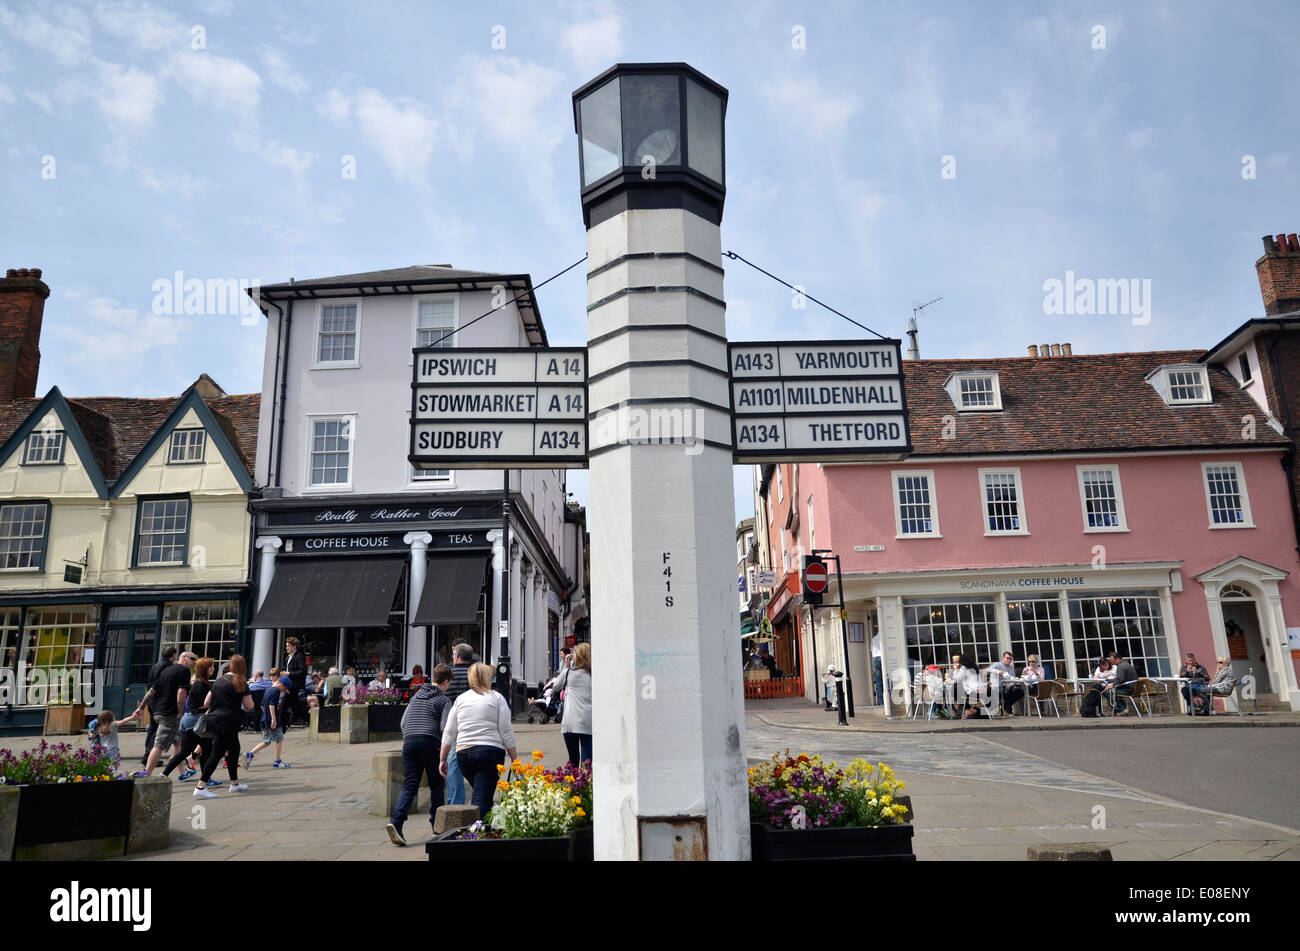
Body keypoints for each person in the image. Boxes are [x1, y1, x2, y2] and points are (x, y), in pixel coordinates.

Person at [439, 662, 517, 821]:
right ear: (488, 678)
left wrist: (442, 758)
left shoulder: (461, 699)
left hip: (464, 755)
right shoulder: (497, 698)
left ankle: (486, 829)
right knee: (481, 799)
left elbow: (449, 731)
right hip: (489, 753)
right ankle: (475, 836)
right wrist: (515, 758)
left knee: (483, 793)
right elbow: (506, 731)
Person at [386, 663, 453, 846]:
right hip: (430, 742)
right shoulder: (444, 700)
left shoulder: (416, 697)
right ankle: (437, 826)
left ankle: (396, 821)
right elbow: (444, 728)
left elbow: (403, 723)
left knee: (410, 784)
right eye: (448, 683)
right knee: (437, 784)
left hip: (409, 742)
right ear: (446, 681)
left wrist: (411, 735)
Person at [194, 654, 255, 798]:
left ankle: (234, 783)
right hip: (229, 721)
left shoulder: (218, 681)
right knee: (217, 753)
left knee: (234, 750)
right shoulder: (240, 682)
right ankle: (201, 787)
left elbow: (207, 702)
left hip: (216, 720)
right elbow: (249, 705)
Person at [161, 656, 216, 782]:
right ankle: (206, 779)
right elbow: (198, 705)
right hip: (196, 721)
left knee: (185, 751)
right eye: (211, 666)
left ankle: (163, 774)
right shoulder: (202, 684)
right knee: (207, 750)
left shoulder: (198, 683)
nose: (213, 668)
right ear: (204, 669)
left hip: (188, 720)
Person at [142, 651, 197, 775]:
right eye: (192, 659)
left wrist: (141, 708)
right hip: (170, 714)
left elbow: (152, 690)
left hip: (159, 711)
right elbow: (181, 692)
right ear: (183, 658)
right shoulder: (184, 671)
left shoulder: (167, 670)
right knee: (159, 745)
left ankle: (183, 773)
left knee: (178, 742)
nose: (194, 662)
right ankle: (146, 774)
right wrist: (180, 711)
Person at [441, 642, 474, 805]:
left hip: (452, 724)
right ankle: (478, 799)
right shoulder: (474, 674)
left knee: (453, 762)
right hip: (473, 723)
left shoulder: (449, 674)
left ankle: (455, 803)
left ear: (457, 657)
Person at [553, 642, 592, 766]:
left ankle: (572, 784)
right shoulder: (594, 674)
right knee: (587, 763)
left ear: (577, 656)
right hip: (588, 722)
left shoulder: (569, 672)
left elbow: (555, 687)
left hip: (570, 722)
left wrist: (565, 667)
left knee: (573, 760)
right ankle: (587, 784)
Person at [137, 645, 177, 766]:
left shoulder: (156, 665)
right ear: (173, 655)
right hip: (160, 701)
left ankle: (147, 755)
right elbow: (161, 684)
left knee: (153, 730)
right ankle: (149, 756)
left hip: (153, 701)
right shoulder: (168, 667)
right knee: (157, 731)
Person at [245, 675, 293, 769]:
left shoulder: (268, 689)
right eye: (284, 688)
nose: (284, 690)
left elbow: (262, 705)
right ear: (281, 684)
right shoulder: (276, 691)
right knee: (279, 739)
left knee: (266, 741)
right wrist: (273, 719)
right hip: (271, 719)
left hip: (264, 719)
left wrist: (266, 715)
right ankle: (277, 761)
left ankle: (249, 754)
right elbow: (272, 705)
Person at [987, 651, 1023, 717]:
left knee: (1020, 692)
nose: (1009, 660)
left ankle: (1005, 706)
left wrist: (1010, 684)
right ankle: (1008, 710)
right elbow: (988, 669)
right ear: (1003, 658)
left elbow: (1013, 678)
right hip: (998, 686)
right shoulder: (997, 664)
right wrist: (998, 671)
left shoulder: (1011, 667)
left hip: (1008, 685)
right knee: (1007, 693)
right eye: (1007, 658)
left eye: (1010, 659)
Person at [1105, 651, 1139, 716]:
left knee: (1108, 692)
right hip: (1133, 688)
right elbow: (1121, 679)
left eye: (1114, 661)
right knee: (1114, 692)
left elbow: (1120, 679)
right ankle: (1122, 709)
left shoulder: (1121, 666)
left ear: (1118, 659)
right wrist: (1109, 680)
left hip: (1129, 690)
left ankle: (1121, 709)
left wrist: (1112, 685)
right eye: (1112, 662)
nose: (1113, 664)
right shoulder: (1127, 664)